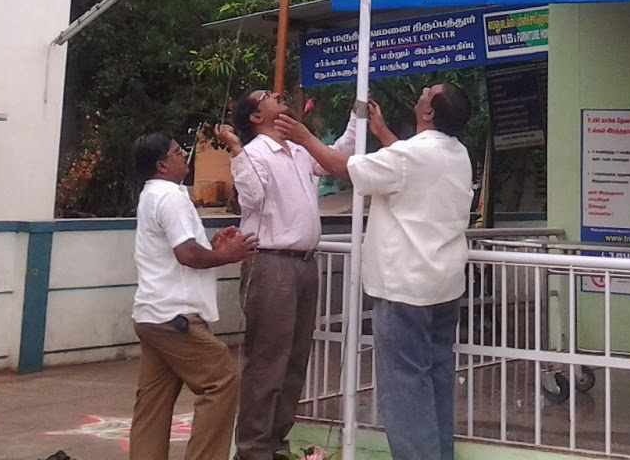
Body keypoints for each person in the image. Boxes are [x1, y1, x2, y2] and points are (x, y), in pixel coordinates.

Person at [280, 83, 473, 460]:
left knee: (404, 388)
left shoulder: (408, 156)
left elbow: (342, 167)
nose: (419, 93)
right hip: (444, 285)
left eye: (426, 93)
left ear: (430, 112)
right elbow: (405, 165)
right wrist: (383, 133)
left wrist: (303, 136)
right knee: (435, 380)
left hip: (403, 289)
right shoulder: (457, 153)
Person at [214, 89, 382, 460]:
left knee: (294, 361)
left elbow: (341, 153)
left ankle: (275, 442)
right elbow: (253, 198)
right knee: (268, 361)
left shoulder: (299, 148)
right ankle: (253, 449)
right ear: (257, 117)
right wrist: (237, 151)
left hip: (304, 262)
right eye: (267, 96)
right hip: (272, 262)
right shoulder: (254, 153)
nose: (278, 94)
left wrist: (357, 111)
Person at [130, 131, 258, 460]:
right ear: (162, 165)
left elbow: (184, 250)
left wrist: (214, 248)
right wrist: (228, 256)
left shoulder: (152, 195)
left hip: (152, 314)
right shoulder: (171, 197)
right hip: (175, 316)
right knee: (221, 380)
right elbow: (186, 254)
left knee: (153, 405)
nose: (183, 153)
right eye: (176, 152)